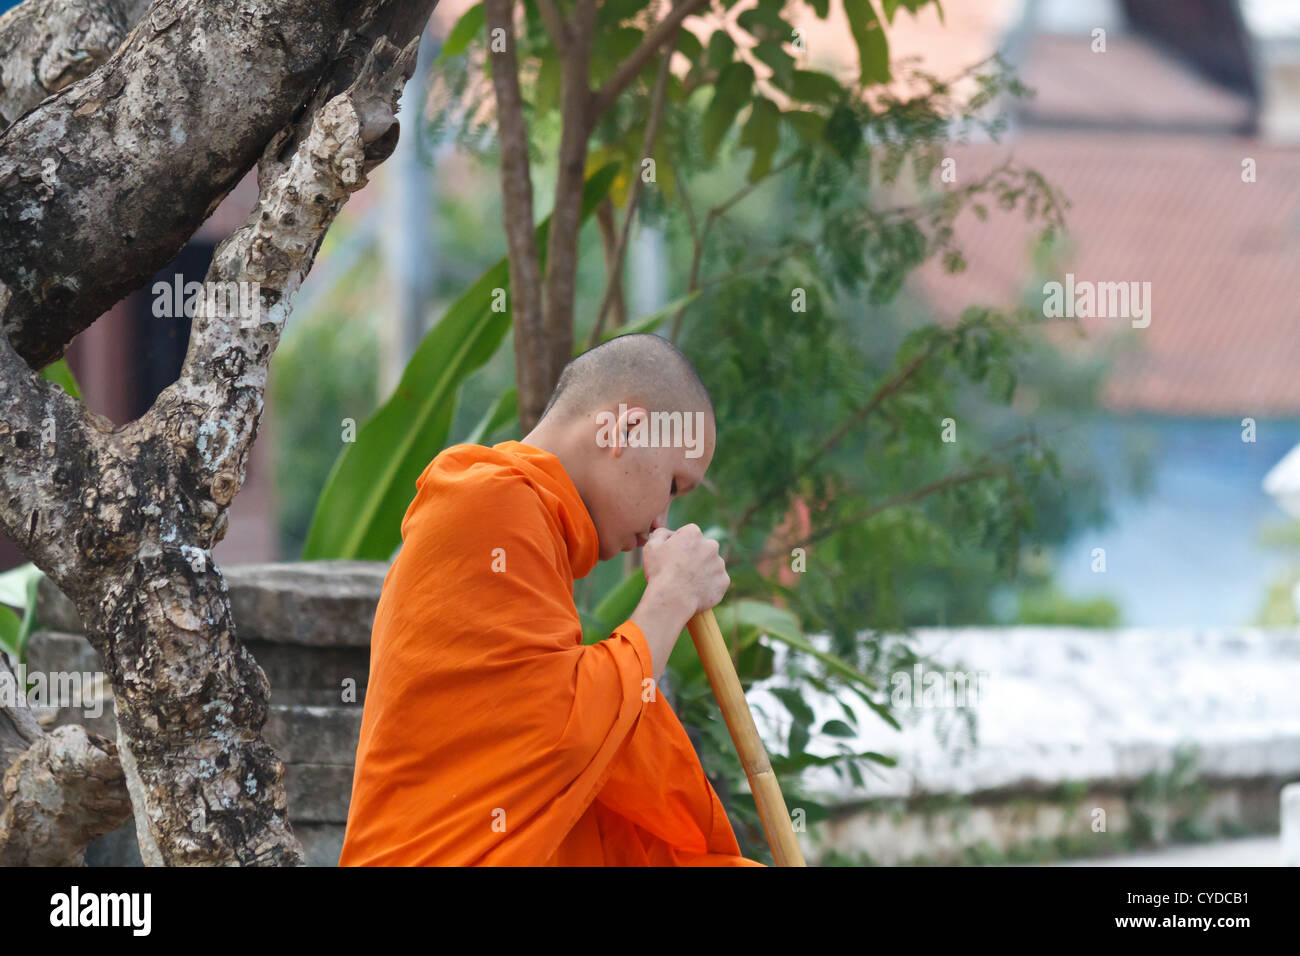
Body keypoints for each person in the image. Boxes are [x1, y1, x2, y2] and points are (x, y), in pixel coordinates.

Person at [338, 333, 765, 865]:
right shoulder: (491, 505)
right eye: (675, 485)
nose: (662, 520)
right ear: (627, 429)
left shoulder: (529, 523)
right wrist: (671, 596)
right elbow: (561, 735)